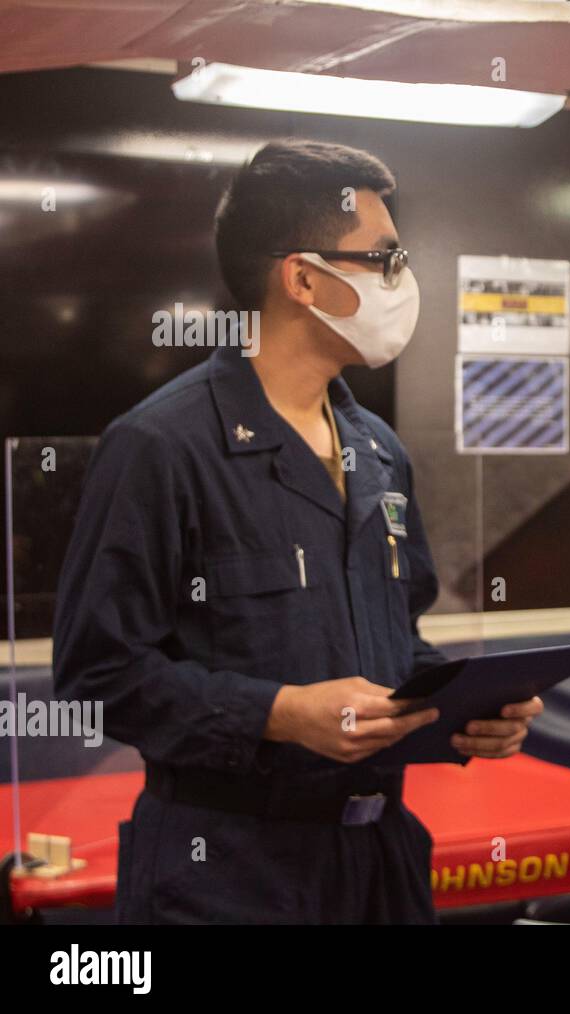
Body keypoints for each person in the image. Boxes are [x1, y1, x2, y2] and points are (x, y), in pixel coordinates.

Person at [54, 139, 542, 924]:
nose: (401, 281)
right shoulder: (161, 446)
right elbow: (98, 674)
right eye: (384, 258)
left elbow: (393, 647)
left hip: (380, 866)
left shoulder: (378, 451)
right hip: (228, 875)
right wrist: (278, 713)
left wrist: (459, 711)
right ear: (303, 277)